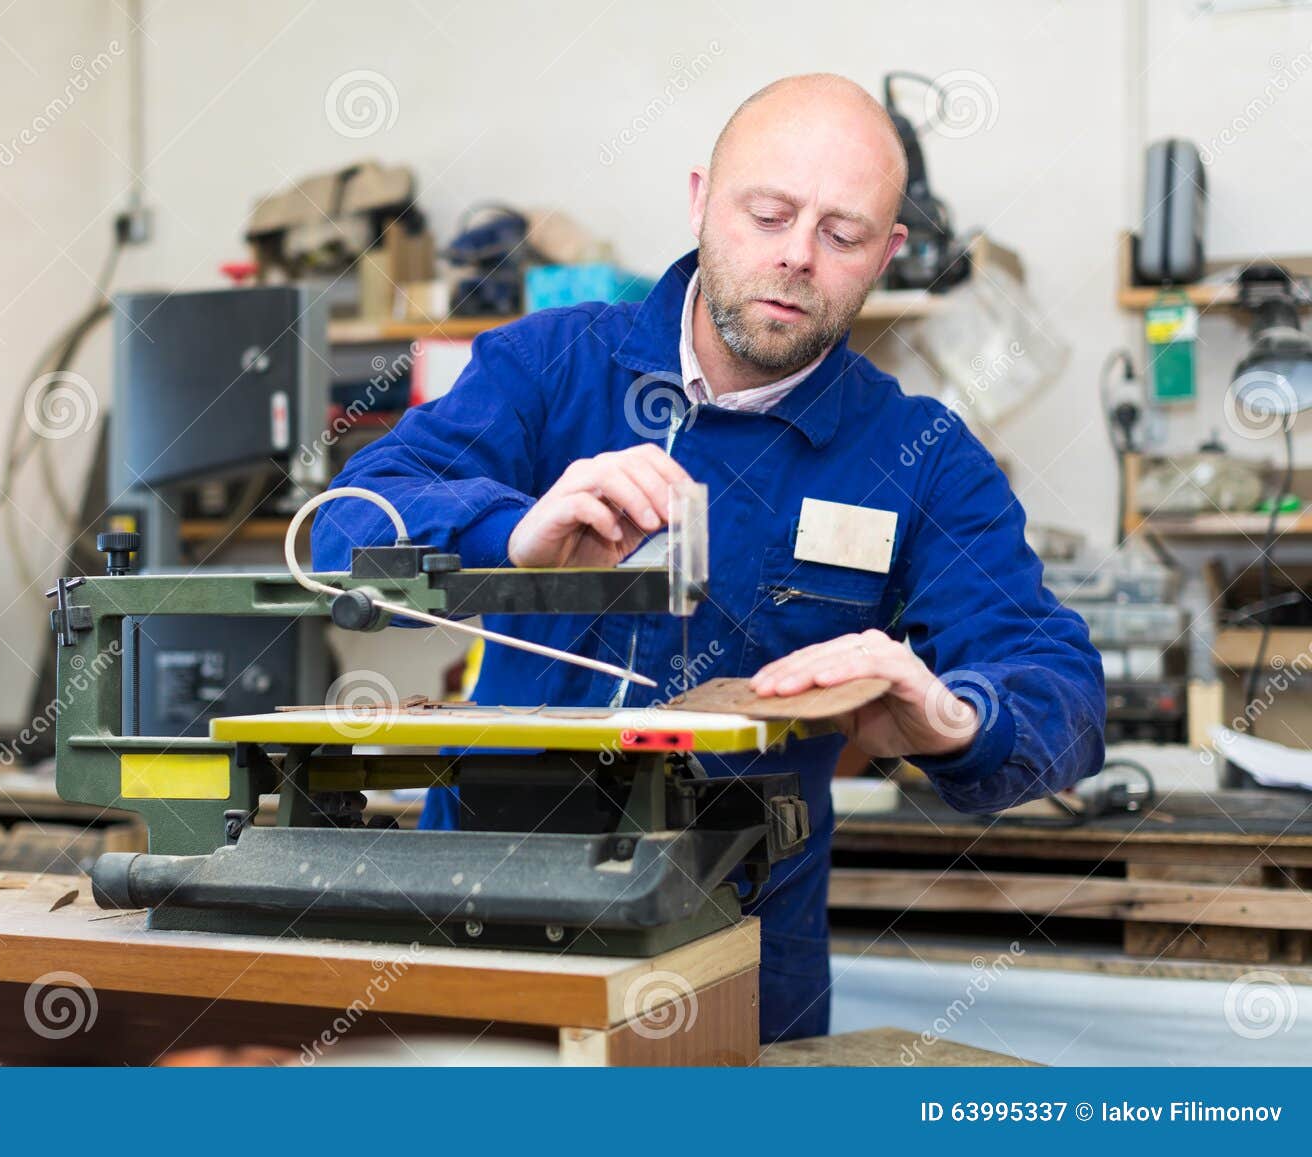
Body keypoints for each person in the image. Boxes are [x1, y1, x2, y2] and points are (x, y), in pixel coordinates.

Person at [311, 73, 1104, 1042]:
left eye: (842, 234)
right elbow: (340, 529)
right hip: (485, 912)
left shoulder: (918, 454)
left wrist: (954, 716)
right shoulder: (548, 366)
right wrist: (510, 534)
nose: (794, 256)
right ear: (699, 199)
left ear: (888, 254)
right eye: (766, 212)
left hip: (740, 948)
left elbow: (1060, 687)